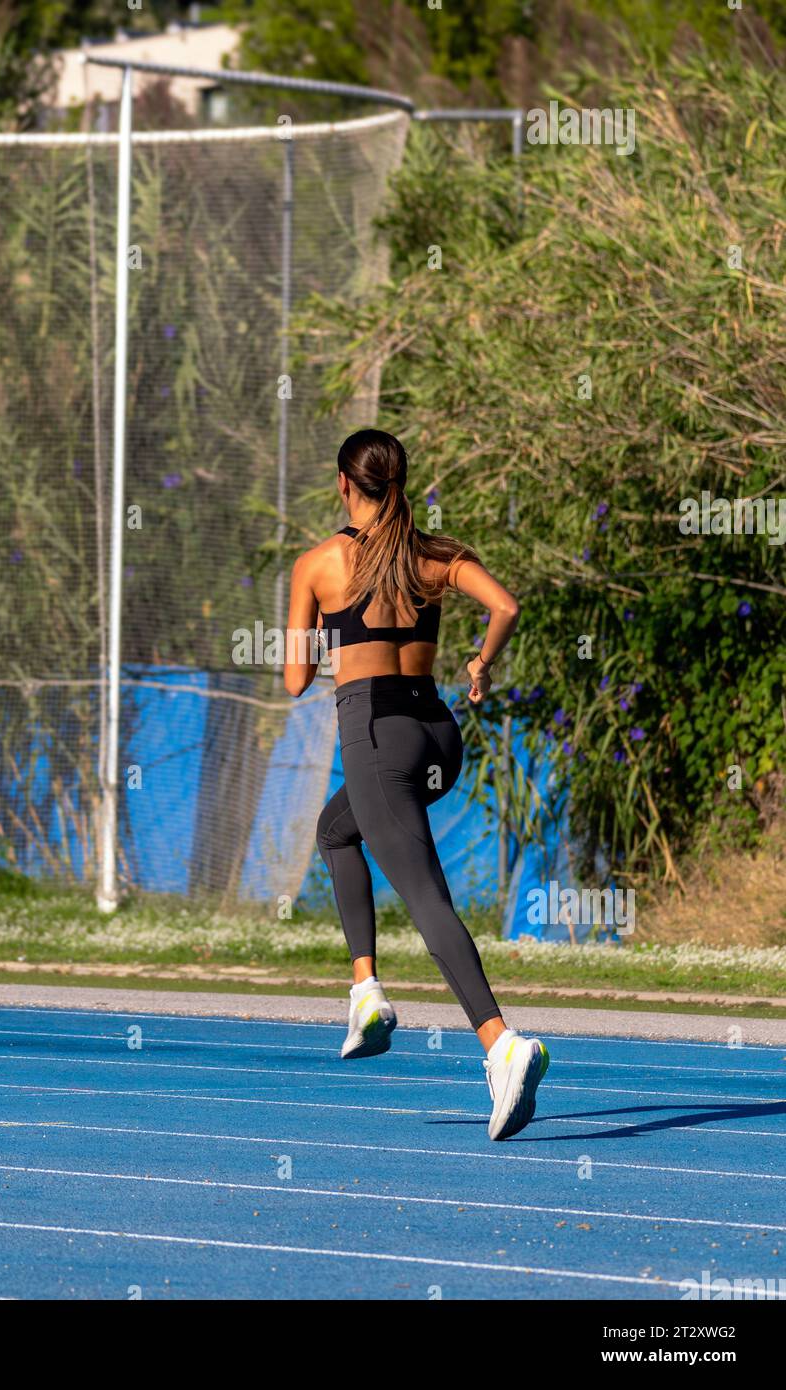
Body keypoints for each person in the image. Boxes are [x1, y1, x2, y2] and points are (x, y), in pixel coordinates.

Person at [284, 428, 549, 1141]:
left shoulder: (319, 563)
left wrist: (311, 635)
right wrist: (481, 668)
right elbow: (508, 607)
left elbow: (295, 679)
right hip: (436, 733)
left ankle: (501, 1043)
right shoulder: (433, 554)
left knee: (427, 896)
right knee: (337, 832)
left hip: (376, 737)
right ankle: (365, 989)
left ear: (344, 484)